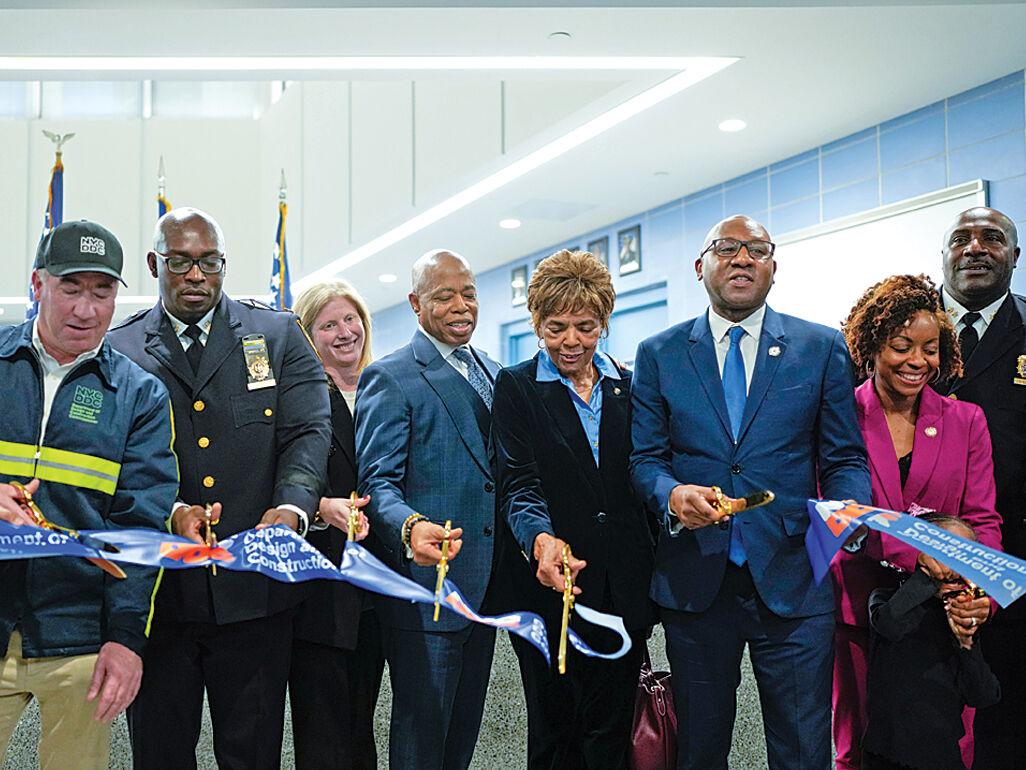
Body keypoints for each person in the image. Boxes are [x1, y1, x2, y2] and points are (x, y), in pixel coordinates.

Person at [630, 215, 871, 770]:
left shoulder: (820, 348)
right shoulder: (659, 353)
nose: (742, 258)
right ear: (700, 267)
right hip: (696, 584)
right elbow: (645, 460)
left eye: (757, 249)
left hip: (793, 580)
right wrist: (672, 495)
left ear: (773, 267)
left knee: (802, 752)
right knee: (699, 750)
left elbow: (844, 458)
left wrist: (846, 507)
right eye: (726, 248)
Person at [107, 207, 331, 770]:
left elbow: (308, 430)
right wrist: (172, 509)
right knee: (159, 754)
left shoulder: (277, 336)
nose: (196, 275)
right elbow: (112, 460)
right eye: (181, 262)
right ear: (156, 264)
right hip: (162, 600)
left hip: (256, 597)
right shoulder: (123, 350)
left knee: (252, 755)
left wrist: (291, 507)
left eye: (209, 262)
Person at [0, 220, 178, 769]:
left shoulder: (141, 395)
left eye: (102, 292)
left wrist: (126, 639)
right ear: (37, 284)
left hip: (80, 640)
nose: (86, 309)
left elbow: (141, 526)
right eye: (71, 288)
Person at [492, 249, 655, 770]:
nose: (570, 342)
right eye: (555, 327)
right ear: (536, 323)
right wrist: (540, 540)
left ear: (604, 323)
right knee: (554, 730)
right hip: (550, 587)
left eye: (585, 327)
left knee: (610, 731)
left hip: (623, 585)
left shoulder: (630, 385)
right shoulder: (517, 387)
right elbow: (518, 482)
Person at [831, 274, 1001, 770]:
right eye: (901, 346)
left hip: (945, 613)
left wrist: (977, 594)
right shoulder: (839, 414)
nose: (916, 361)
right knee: (858, 742)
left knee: (948, 743)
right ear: (871, 345)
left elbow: (983, 520)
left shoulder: (966, 420)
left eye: (930, 348)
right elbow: (835, 513)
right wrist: (919, 552)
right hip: (859, 610)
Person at [356, 249, 501, 770]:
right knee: (422, 740)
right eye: (444, 296)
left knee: (461, 738)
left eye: (468, 293)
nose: (461, 305)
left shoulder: (493, 370)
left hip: (484, 586)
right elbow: (377, 483)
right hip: (427, 591)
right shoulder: (391, 377)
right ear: (416, 304)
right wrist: (411, 525)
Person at [932, 206, 1026, 770]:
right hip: (913, 560)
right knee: (921, 716)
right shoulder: (904, 333)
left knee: (1007, 717)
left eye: (993, 239)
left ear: (1014, 256)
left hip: (1015, 561)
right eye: (961, 239)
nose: (975, 248)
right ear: (942, 255)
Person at [290, 280, 384, 770]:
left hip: (377, 589)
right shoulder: (297, 400)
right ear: (308, 336)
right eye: (328, 325)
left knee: (361, 723)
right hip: (318, 590)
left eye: (351, 319)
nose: (345, 332)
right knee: (322, 732)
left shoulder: (383, 388)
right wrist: (320, 505)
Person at [861, 515, 1001, 770]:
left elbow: (984, 694)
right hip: (885, 752)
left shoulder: (961, 619)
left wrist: (966, 644)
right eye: (945, 554)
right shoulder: (885, 599)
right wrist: (927, 578)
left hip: (941, 755)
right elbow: (889, 624)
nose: (953, 567)